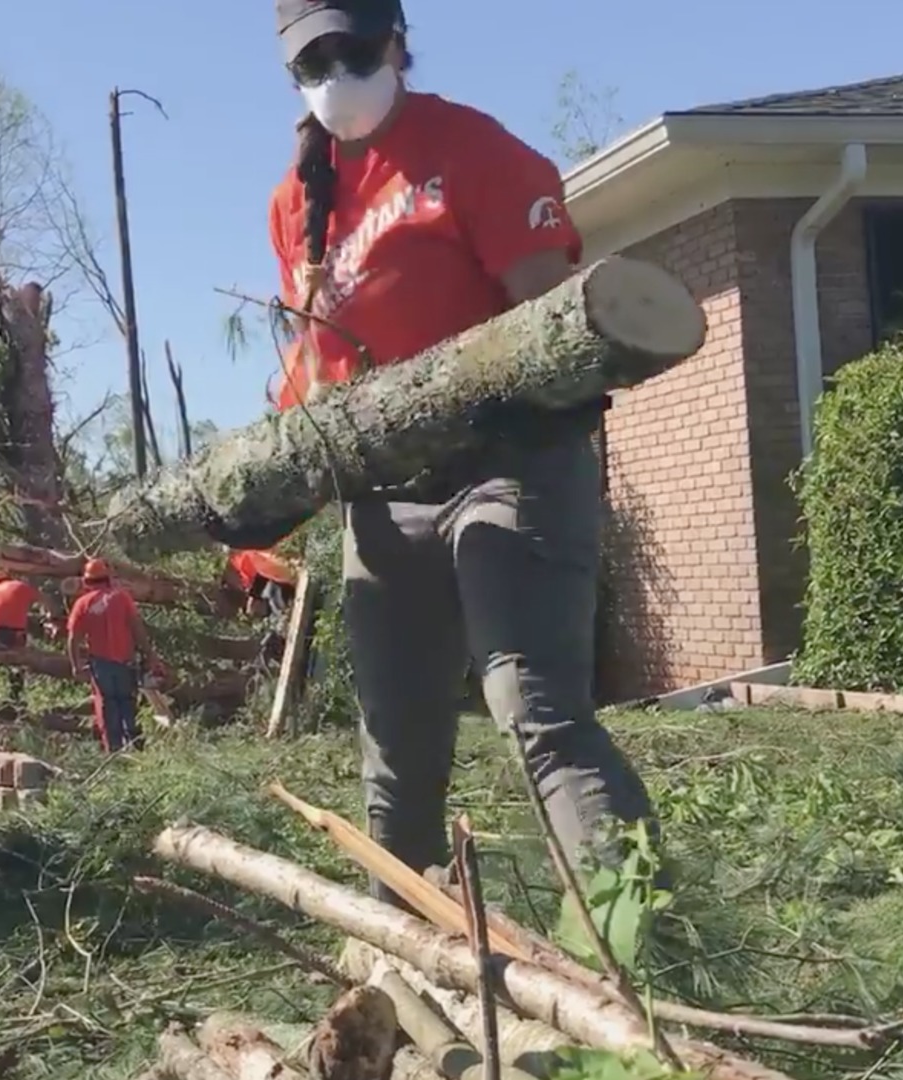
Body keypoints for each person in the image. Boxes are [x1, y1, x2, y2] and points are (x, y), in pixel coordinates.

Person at [266, 0, 657, 905]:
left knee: (534, 708)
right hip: (386, 496)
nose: (334, 75)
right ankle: (402, 961)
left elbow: (551, 325)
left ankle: (640, 939)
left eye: (350, 49)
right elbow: (319, 369)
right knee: (395, 748)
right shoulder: (294, 205)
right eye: (310, 63)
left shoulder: (472, 150)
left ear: (396, 40)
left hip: (510, 463)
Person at [66, 559, 160, 753]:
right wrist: (149, 655)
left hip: (100, 663)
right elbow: (137, 628)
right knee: (128, 702)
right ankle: (137, 746)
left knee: (107, 706)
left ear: (87, 581)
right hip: (125, 660)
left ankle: (113, 751)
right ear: (108, 578)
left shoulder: (82, 603)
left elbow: (73, 638)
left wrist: (76, 665)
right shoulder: (122, 597)